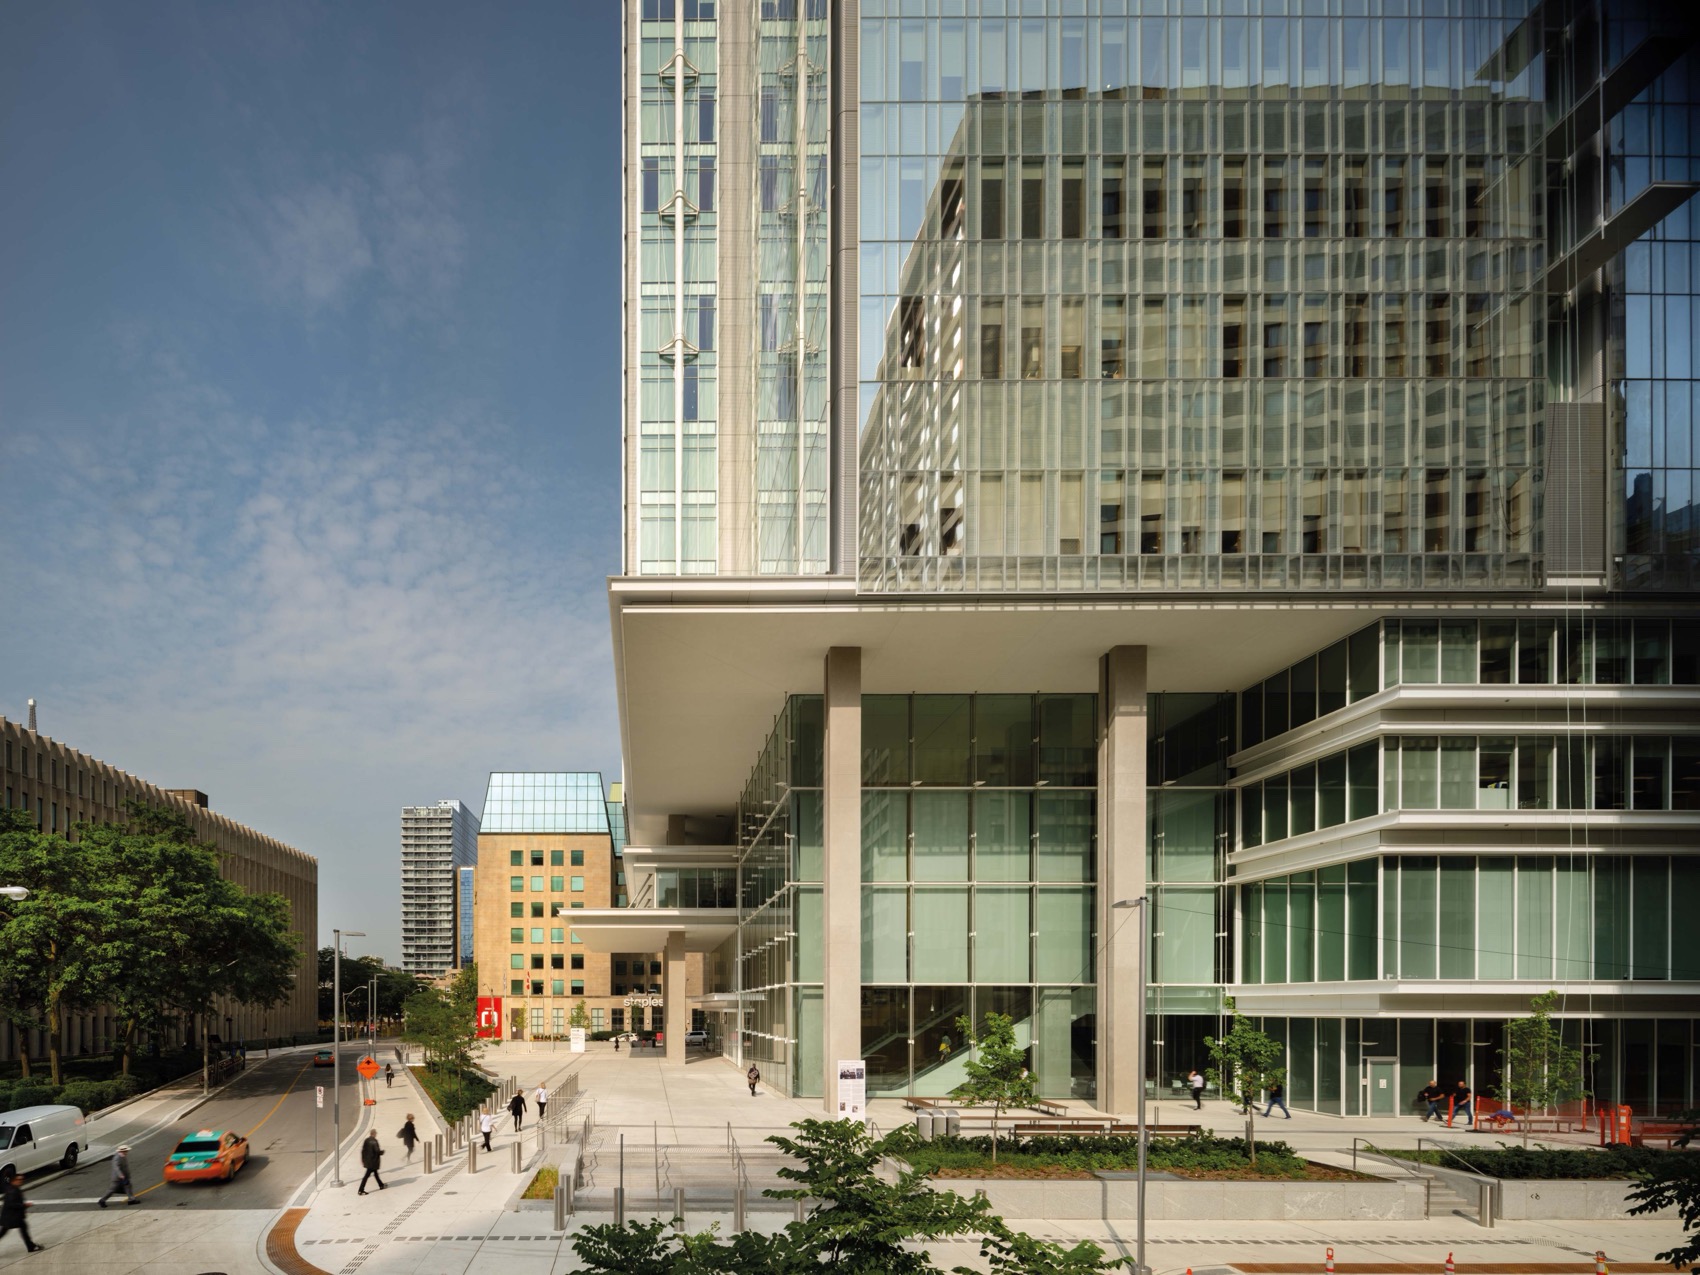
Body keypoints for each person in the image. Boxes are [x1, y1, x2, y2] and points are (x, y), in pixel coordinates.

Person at [1, 1171, 43, 1253]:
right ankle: (31, 1246)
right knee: (20, 1231)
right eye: (18, 1179)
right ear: (13, 1180)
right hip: (12, 1217)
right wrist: (24, 1205)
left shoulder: (12, 1187)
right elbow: (12, 1204)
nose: (21, 1181)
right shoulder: (12, 1191)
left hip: (12, 1216)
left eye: (21, 1179)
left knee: (22, 1230)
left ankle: (31, 1246)